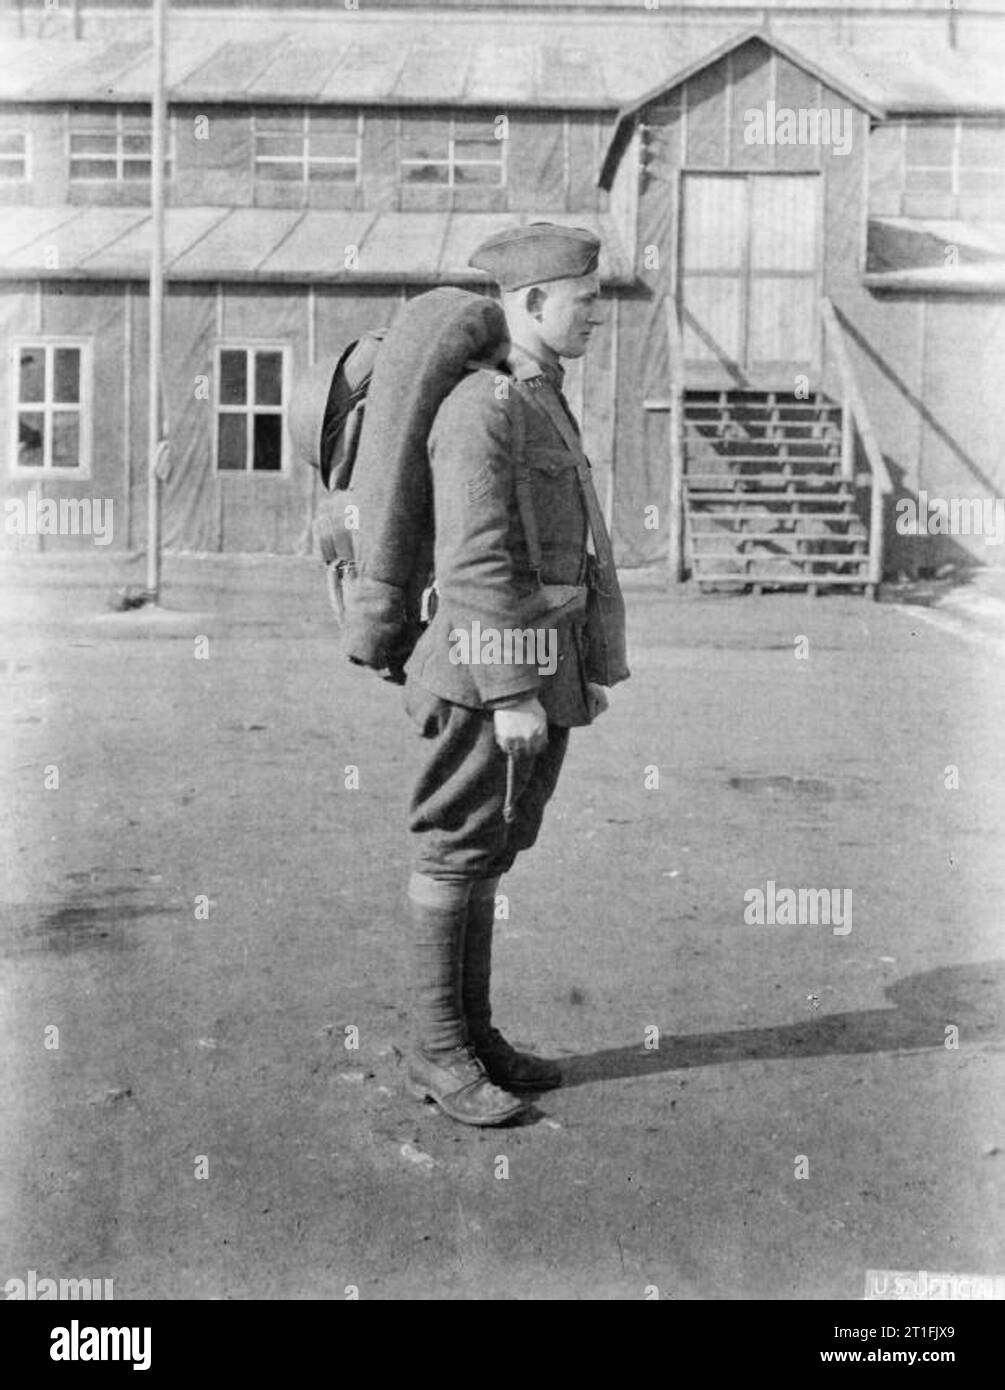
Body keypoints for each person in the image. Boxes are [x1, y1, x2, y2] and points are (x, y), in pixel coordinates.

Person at [402, 222, 628, 1126]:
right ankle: (436, 1048)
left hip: (544, 661)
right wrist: (511, 691)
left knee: (494, 846)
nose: (596, 320)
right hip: (482, 671)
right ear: (532, 302)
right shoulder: (483, 405)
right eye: (584, 303)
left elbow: (572, 548)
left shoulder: (540, 396)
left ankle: (474, 1035)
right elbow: (476, 561)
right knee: (454, 845)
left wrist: (584, 667)